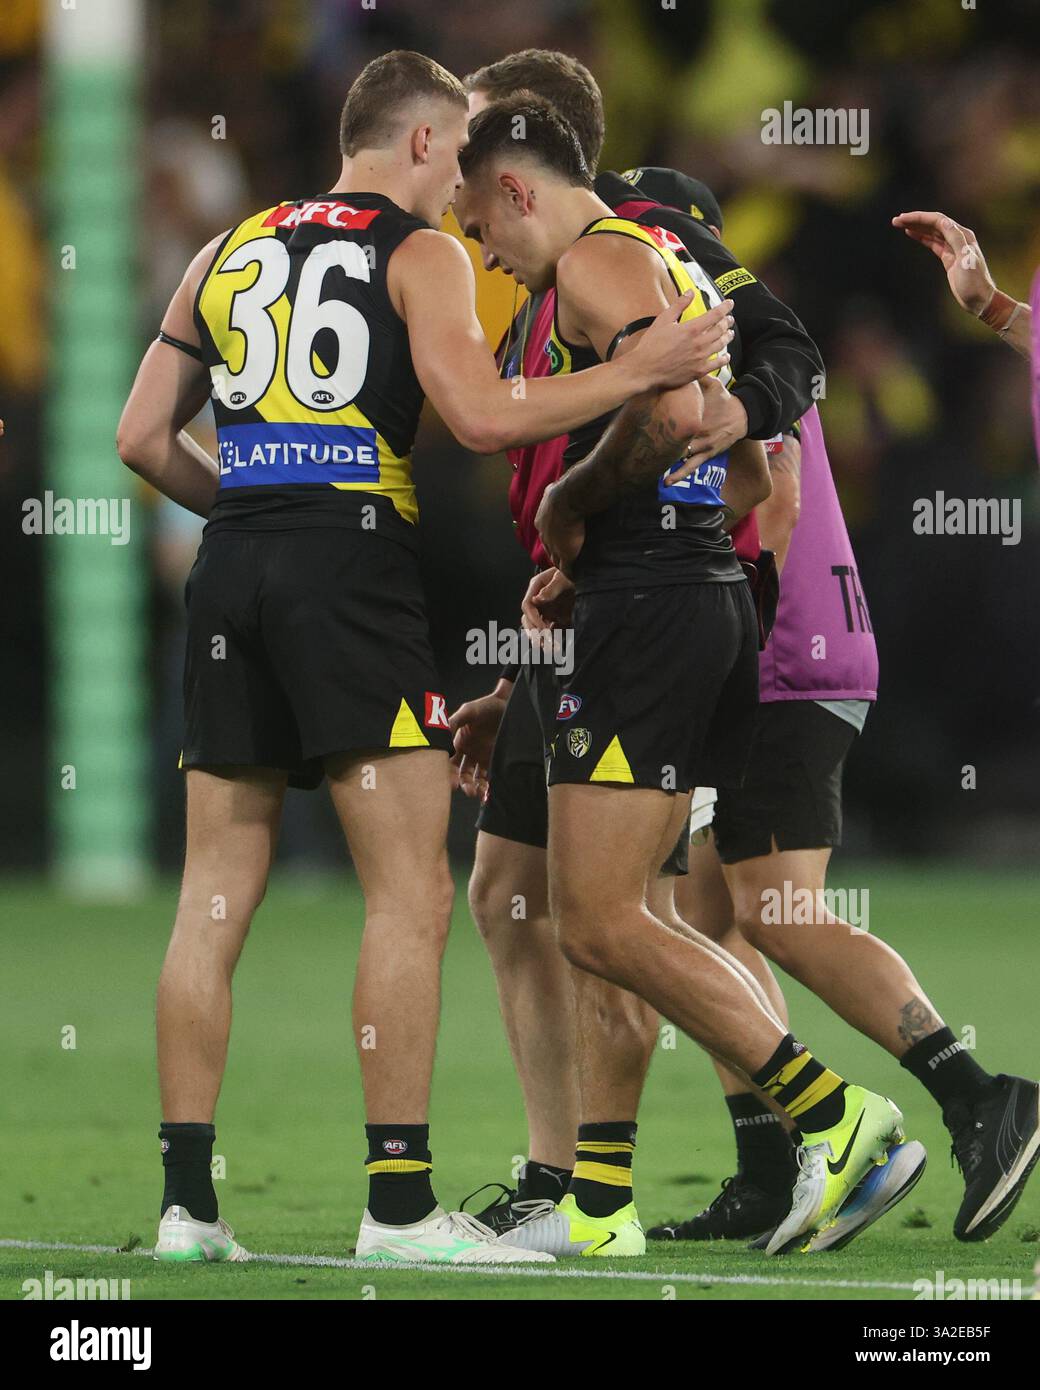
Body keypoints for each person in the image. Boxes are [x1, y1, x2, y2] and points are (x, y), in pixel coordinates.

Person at [115, 48, 729, 1268]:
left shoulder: (224, 249)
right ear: (413, 141)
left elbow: (139, 437)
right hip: (349, 563)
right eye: (454, 155)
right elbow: (481, 417)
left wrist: (245, 504)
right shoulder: (419, 250)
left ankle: (187, 1212)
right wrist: (636, 370)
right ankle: (398, 1210)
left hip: (233, 560)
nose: (463, 188)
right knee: (405, 893)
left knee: (208, 901)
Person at [455, 95, 911, 1260]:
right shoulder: (666, 253)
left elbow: (672, 414)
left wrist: (576, 503)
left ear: (516, 187)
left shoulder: (598, 262)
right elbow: (747, 459)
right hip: (685, 591)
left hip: (647, 611)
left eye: (479, 220)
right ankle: (599, 1206)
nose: (482, 248)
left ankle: (835, 1113)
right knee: (621, 913)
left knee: (601, 921)